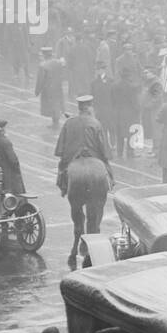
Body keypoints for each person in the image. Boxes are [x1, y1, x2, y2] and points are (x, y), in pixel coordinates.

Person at [55, 95, 114, 269]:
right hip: (95, 162)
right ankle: (110, 183)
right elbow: (105, 151)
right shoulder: (96, 123)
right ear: (89, 107)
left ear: (79, 107)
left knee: (62, 169)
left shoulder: (69, 123)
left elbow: (61, 151)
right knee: (107, 171)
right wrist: (105, 162)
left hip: (74, 162)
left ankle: (64, 187)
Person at [110, 65, 140, 159]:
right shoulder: (131, 87)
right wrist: (138, 109)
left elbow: (112, 100)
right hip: (129, 114)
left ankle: (119, 153)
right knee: (131, 134)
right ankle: (130, 153)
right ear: (129, 76)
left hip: (118, 113)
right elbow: (134, 101)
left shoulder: (114, 85)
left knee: (119, 134)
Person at [0, 119, 26, 195]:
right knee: (14, 192)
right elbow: (13, 160)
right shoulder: (5, 142)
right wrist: (16, 169)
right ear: (2, 129)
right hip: (8, 172)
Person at [35, 46, 65, 128]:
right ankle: (56, 120)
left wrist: (37, 91)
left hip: (48, 89)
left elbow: (40, 80)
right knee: (57, 103)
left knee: (51, 105)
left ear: (44, 55)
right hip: (58, 87)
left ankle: (55, 122)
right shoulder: (59, 63)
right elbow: (63, 74)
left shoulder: (43, 65)